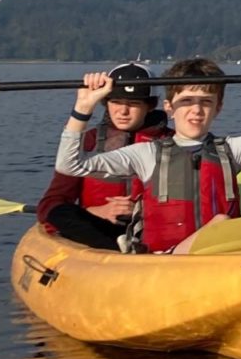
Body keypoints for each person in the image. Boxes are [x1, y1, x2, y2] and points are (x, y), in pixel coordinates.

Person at [55, 58, 241, 253]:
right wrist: (83, 108)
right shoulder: (146, 154)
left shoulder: (233, 149)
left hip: (223, 259)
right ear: (169, 107)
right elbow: (70, 164)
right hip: (166, 262)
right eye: (186, 101)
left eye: (206, 102)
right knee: (222, 222)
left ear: (218, 108)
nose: (196, 110)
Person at [33, 63, 167, 249]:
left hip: (152, 229)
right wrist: (96, 212)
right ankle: (119, 249)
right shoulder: (87, 141)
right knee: (59, 213)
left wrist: (141, 210)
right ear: (106, 102)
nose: (123, 111)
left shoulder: (170, 143)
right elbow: (49, 205)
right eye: (116, 102)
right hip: (100, 231)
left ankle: (131, 249)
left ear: (150, 106)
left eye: (134, 104)